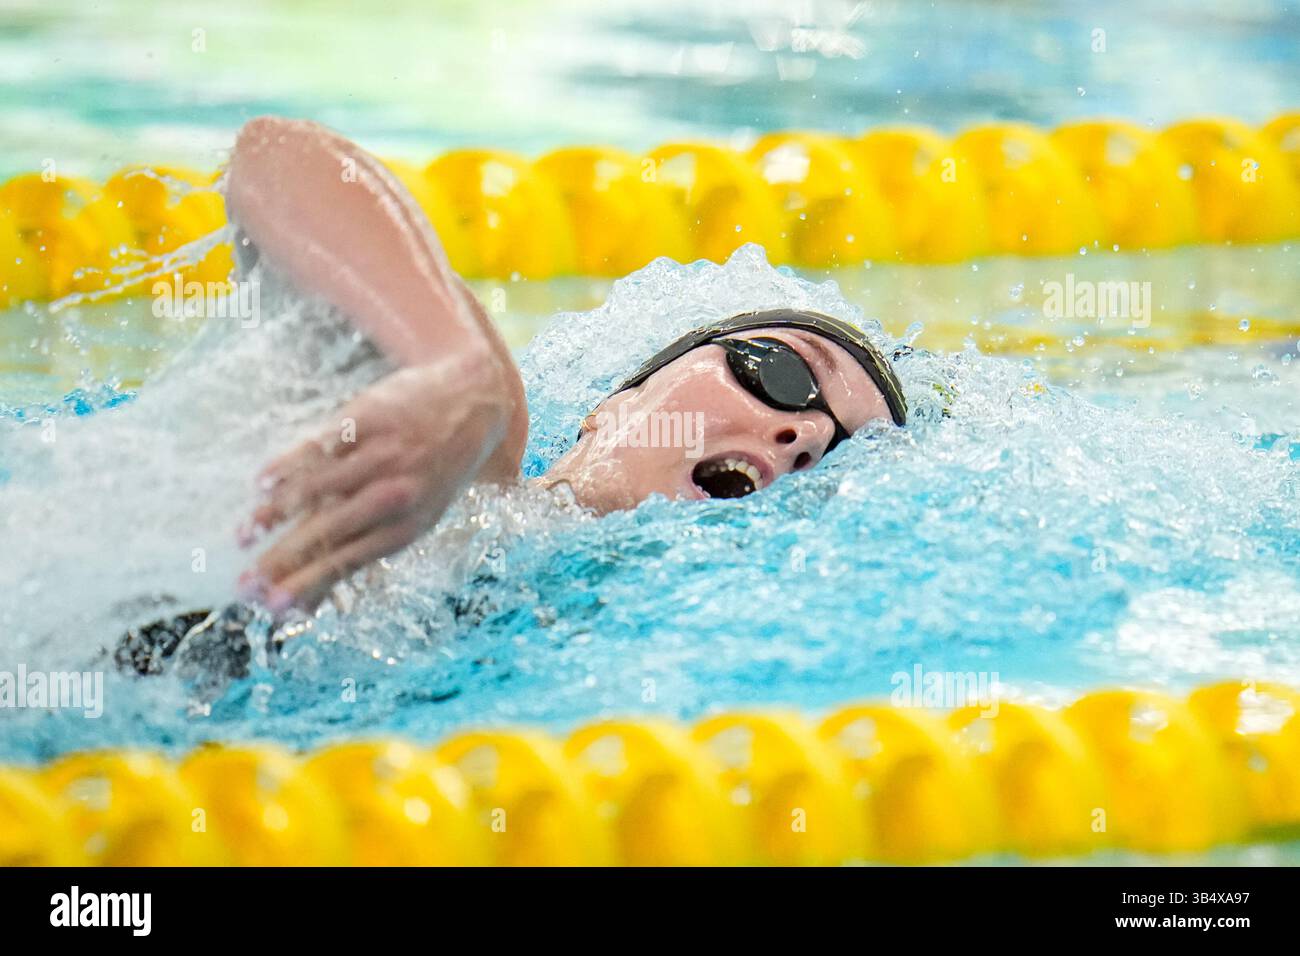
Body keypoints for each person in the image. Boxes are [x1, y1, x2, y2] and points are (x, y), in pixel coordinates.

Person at [115, 116, 908, 676]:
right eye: (783, 372)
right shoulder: (468, 453)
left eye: (842, 453)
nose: (804, 434)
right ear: (616, 405)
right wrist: (461, 371)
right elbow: (273, 157)